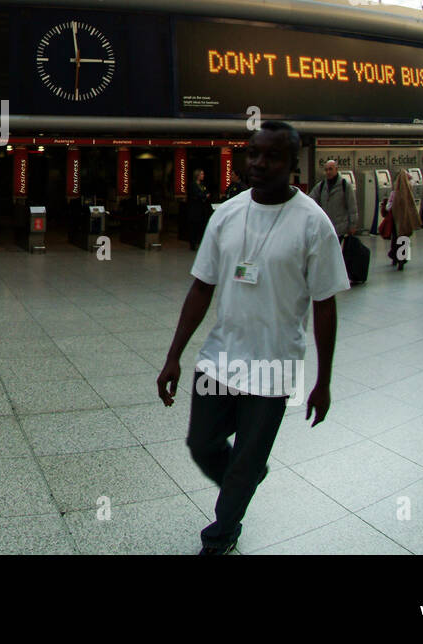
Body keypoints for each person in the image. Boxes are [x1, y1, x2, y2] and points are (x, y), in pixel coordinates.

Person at [155, 121, 348, 555]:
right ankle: (245, 477)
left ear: (293, 164)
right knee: (202, 444)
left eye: (271, 156)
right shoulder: (226, 213)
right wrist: (174, 356)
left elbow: (325, 304)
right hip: (219, 359)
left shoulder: (314, 225)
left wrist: (324, 380)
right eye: (253, 153)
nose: (258, 163)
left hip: (274, 366)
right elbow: (201, 286)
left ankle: (222, 533)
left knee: (243, 465)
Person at [380, 169, 422, 271]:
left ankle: (395, 258)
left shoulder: (394, 193)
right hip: (406, 220)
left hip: (395, 220)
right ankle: (402, 259)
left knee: (395, 238)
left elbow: (388, 207)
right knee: (404, 239)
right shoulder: (409, 192)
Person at [310, 159, 356, 242]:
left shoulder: (345, 185)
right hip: (325, 228)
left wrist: (352, 225)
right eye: (326, 170)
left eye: (330, 169)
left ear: (336, 169)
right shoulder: (321, 186)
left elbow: (352, 206)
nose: (328, 172)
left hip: (340, 229)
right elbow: (310, 200)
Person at [184, 168, 210, 250]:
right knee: (193, 227)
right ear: (197, 175)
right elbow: (197, 195)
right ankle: (192, 244)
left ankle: (200, 242)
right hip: (194, 209)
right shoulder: (193, 185)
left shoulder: (202, 185)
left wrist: (205, 195)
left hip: (202, 209)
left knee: (201, 226)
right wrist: (204, 196)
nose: (203, 176)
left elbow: (206, 193)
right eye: (201, 174)